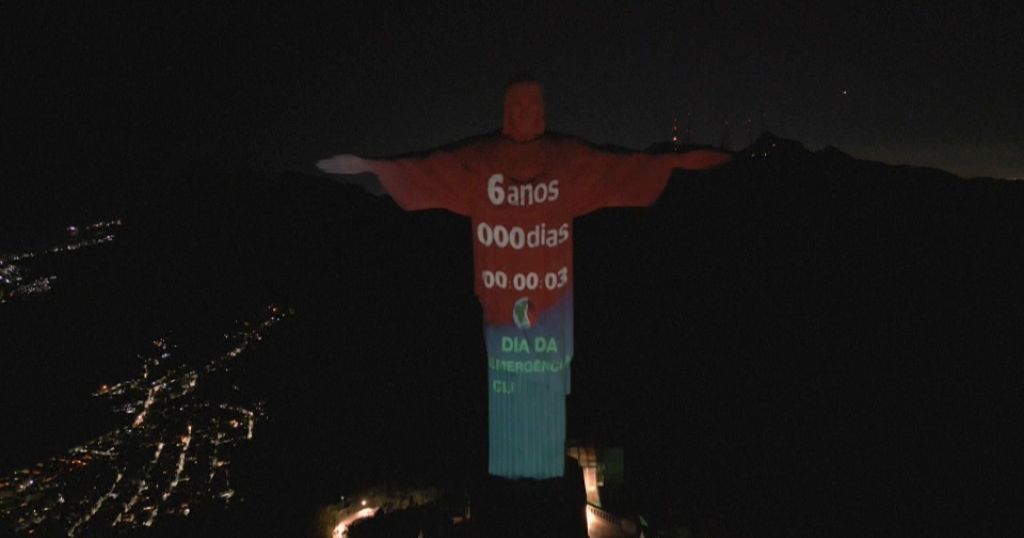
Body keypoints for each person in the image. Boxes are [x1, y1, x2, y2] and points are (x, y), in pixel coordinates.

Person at [318, 75, 729, 479]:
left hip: (550, 306)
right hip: (503, 311)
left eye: (534, 108)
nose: (527, 115)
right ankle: (514, 470)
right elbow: (434, 170)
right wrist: (373, 167)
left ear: (543, 112)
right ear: (506, 112)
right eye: (519, 107)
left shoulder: (565, 160)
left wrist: (672, 162)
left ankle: (542, 469)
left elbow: (613, 168)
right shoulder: (483, 161)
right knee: (510, 407)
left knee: (547, 403)